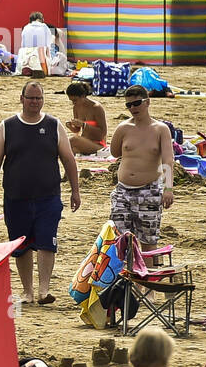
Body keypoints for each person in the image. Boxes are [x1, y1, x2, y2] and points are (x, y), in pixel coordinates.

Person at [0, 82, 80, 305]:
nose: (34, 102)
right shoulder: (7, 126)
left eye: (38, 98)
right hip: (15, 197)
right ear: (22, 98)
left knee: (47, 241)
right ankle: (28, 291)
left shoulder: (53, 125)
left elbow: (68, 159)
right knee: (21, 245)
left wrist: (75, 190)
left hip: (48, 196)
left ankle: (44, 290)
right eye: (30, 98)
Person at [108, 84, 174, 252]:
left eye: (137, 103)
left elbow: (168, 159)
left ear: (147, 102)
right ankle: (123, 275)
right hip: (123, 191)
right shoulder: (123, 128)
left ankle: (149, 276)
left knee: (148, 241)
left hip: (149, 190)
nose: (133, 108)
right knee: (119, 241)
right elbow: (115, 152)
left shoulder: (160, 129)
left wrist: (168, 188)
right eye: (128, 105)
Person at [64, 80, 108, 155]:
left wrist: (83, 125)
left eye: (75, 100)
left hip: (98, 144)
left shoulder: (96, 107)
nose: (73, 103)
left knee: (73, 140)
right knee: (71, 149)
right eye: (71, 101)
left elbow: (103, 132)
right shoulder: (76, 107)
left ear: (83, 96)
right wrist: (70, 126)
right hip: (84, 142)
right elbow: (77, 130)